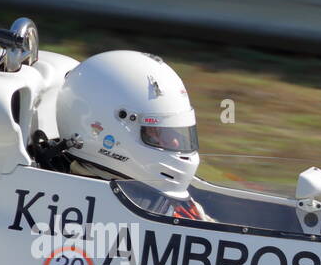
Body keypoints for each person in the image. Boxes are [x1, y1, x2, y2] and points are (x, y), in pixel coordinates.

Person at [50, 50, 212, 220]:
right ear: (109, 129)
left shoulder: (163, 200)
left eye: (176, 132)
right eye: (157, 132)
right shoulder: (98, 210)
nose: (176, 143)